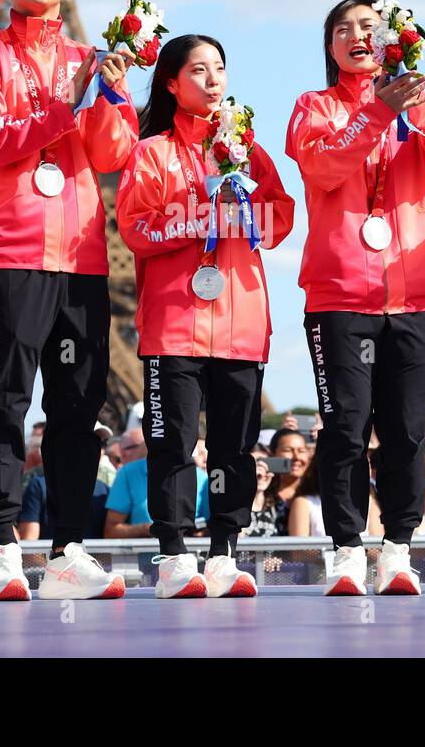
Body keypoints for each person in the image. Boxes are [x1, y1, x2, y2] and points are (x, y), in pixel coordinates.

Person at [0, 0, 135, 602]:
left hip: (81, 258)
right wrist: (65, 105)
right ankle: (1, 545)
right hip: (9, 252)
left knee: (78, 411)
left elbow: (114, 155)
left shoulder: (91, 59)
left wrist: (108, 97)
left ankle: (67, 547)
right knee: (3, 403)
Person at [286, 0, 425, 597]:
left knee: (407, 430)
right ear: (330, 46)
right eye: (342, 29)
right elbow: (321, 170)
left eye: (369, 25)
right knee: (344, 425)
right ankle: (344, 549)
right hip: (340, 293)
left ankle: (397, 547)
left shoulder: (418, 103)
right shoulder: (314, 106)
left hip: (413, 294)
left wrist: (416, 101)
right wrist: (372, 114)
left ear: (391, 38)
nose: (356, 35)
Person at [117, 34, 294, 598]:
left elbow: (281, 220)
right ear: (171, 82)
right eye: (198, 70)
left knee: (234, 446)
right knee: (171, 443)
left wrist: (242, 211)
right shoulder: (151, 152)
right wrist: (197, 220)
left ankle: (223, 551)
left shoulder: (245, 146)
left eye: (220, 68)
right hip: (173, 322)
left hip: (240, 322)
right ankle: (172, 556)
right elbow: (135, 229)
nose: (214, 79)